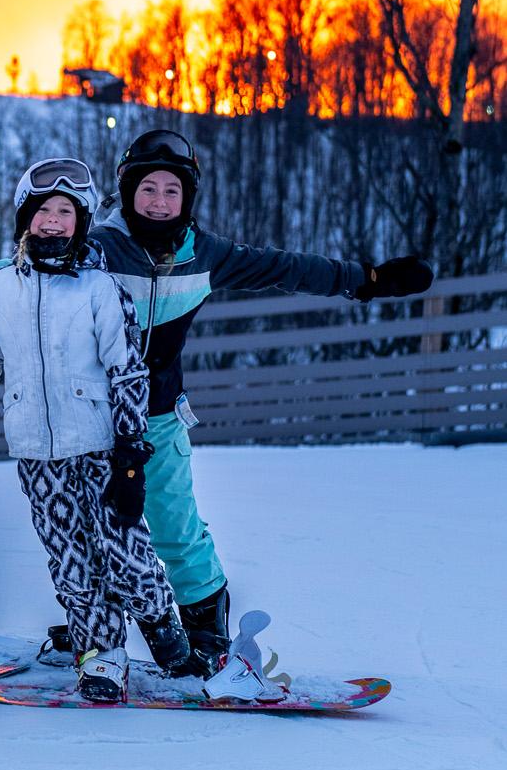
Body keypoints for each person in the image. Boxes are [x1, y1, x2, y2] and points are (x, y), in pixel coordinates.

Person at [92, 126, 434, 668]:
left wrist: (364, 279)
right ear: (127, 191)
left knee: (175, 525)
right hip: (92, 419)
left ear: (187, 198)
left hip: (157, 417)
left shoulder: (205, 254)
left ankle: (206, 633)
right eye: (148, 189)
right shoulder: (94, 249)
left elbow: (285, 267)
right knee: (94, 528)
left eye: (172, 190)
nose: (160, 202)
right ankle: (96, 635)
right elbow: (15, 275)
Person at [0, 158, 189, 703]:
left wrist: (131, 450)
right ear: (25, 220)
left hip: (103, 448)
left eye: (66, 211)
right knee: (71, 559)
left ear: (81, 221)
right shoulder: (0, 291)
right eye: (43, 211)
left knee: (125, 553)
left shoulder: (100, 289)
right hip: (37, 454)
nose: (54, 221)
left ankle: (164, 632)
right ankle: (102, 655)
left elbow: (128, 370)